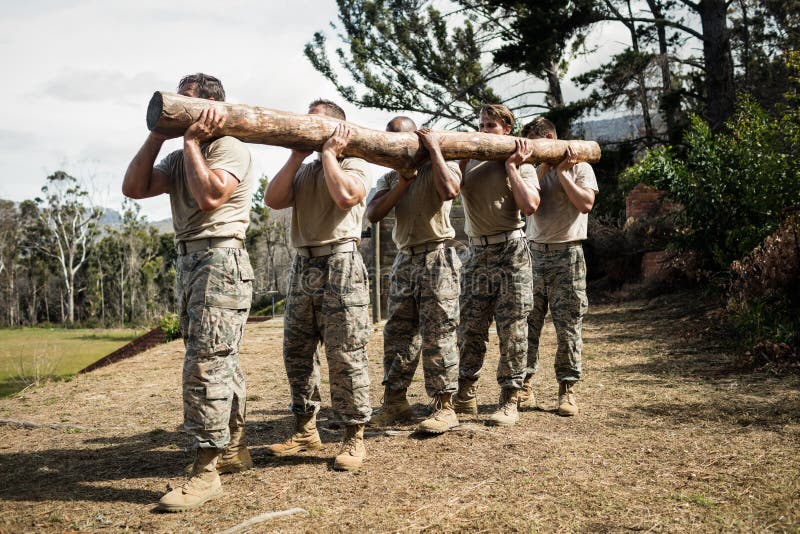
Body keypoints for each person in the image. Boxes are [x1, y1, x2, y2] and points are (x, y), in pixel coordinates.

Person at [122, 73, 256, 512]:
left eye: (185, 102)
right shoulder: (181, 152)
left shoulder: (228, 146)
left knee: (206, 365)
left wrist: (194, 144)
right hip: (191, 260)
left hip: (220, 258)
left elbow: (211, 197)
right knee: (217, 358)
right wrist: (158, 137)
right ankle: (233, 447)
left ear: (208, 107)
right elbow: (135, 188)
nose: (175, 108)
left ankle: (205, 473)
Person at [264, 99, 372, 471]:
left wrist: (330, 154)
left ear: (338, 129)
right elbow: (273, 199)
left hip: (340, 261)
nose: (307, 127)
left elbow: (345, 196)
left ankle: (353, 436)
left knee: (345, 354)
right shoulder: (304, 168)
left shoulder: (354, 163)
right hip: (303, 264)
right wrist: (296, 157)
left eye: (316, 123)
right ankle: (306, 429)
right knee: (297, 351)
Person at [365, 116, 462, 434]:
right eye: (389, 138)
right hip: (404, 259)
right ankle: (395, 402)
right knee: (398, 335)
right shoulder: (388, 177)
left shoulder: (441, 165)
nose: (395, 146)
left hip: (437, 256)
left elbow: (450, 191)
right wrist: (403, 182)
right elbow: (374, 214)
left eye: (401, 139)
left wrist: (434, 150)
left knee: (439, 333)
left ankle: (445, 406)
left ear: (417, 139)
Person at [452, 104, 540, 426]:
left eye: (491, 125)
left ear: (506, 130)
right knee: (470, 327)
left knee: (513, 328)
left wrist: (513, 167)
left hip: (512, 251)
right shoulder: (469, 161)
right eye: (481, 124)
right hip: (476, 254)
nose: (485, 129)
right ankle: (465, 394)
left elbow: (530, 206)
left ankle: (509, 398)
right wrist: (463, 154)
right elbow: (449, 187)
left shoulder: (522, 162)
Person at [521, 117, 598, 416]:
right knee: (529, 324)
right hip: (535, 255)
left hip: (569, 254)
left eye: (536, 142)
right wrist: (542, 168)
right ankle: (524, 385)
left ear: (550, 137)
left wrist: (564, 174)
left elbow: (585, 204)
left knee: (568, 326)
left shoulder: (581, 167)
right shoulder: (533, 170)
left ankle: (567, 389)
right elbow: (529, 204)